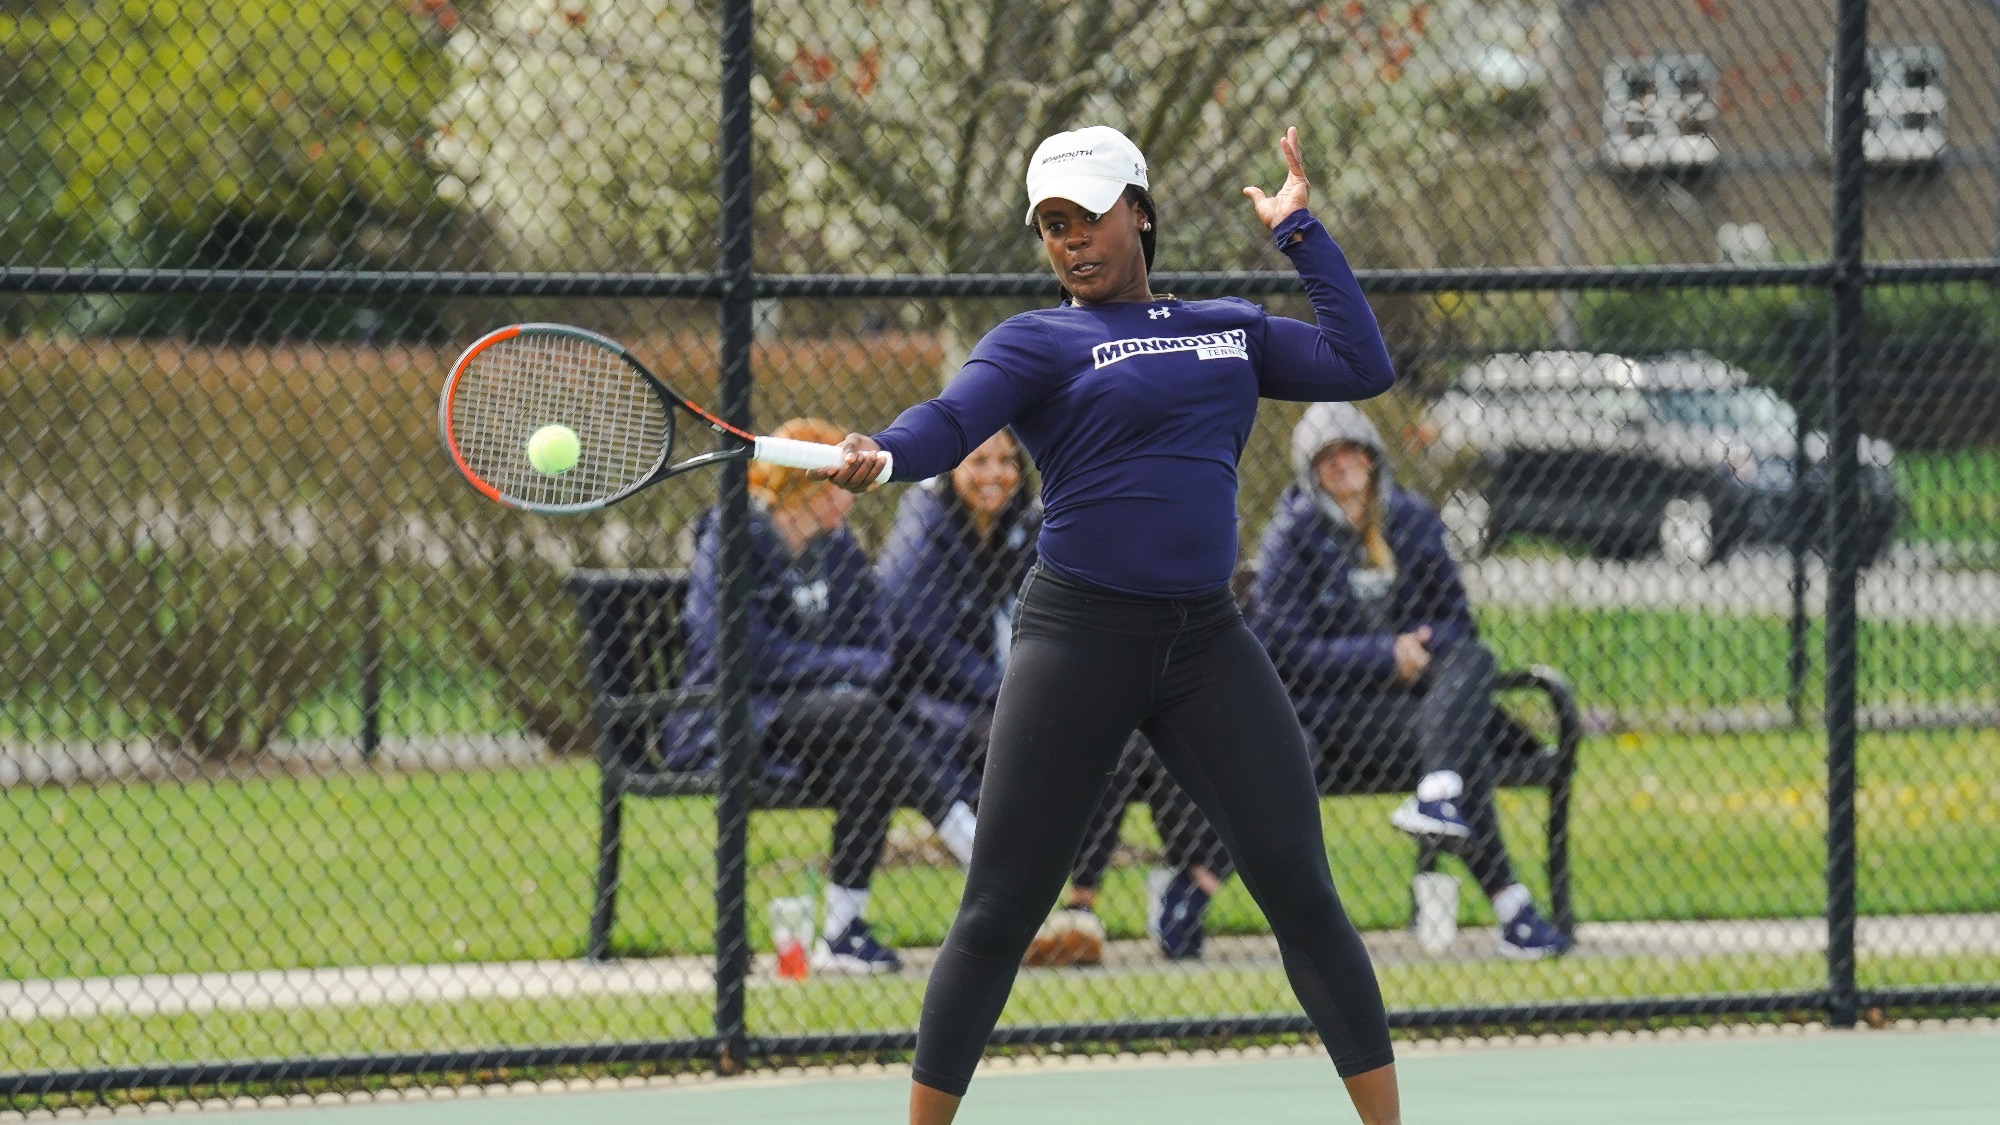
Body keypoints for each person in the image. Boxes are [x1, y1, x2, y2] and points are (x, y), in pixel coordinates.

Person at [817, 125, 1404, 1125]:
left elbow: (1360, 363)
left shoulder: (1225, 326)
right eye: (1051, 226)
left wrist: (1299, 231)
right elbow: (951, 420)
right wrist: (885, 453)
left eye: (1086, 216)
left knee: (1301, 893)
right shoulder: (1033, 342)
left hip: (1206, 645)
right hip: (1076, 643)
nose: (1071, 241)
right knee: (998, 911)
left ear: (1137, 208)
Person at [1042, 402, 1573, 964]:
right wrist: (1384, 655)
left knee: (1473, 661)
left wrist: (1422, 647)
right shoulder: (1293, 535)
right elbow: (1283, 652)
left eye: (1351, 452)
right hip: (1323, 714)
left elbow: (1457, 622)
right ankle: (1509, 903)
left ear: (1373, 458)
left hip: (1405, 714)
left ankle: (1442, 795)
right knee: (1455, 744)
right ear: (1309, 470)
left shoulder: (1412, 520)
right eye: (1326, 457)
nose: (1342, 465)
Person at [669, 417, 981, 975]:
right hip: (731, 720)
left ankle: (843, 931)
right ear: (809, 485)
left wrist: (835, 671)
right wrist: (837, 670)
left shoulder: (836, 548)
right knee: (860, 713)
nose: (855, 491)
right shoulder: (733, 538)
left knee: (870, 745)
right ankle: (962, 830)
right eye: (842, 479)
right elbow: (743, 653)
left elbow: (877, 641)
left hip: (823, 720)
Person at [876, 429, 1041, 808]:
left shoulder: (1025, 527)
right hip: (932, 704)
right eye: (979, 461)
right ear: (951, 469)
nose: (995, 474)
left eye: (1008, 460)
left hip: (1005, 692)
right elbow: (924, 643)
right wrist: (1009, 692)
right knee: (1024, 740)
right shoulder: (920, 531)